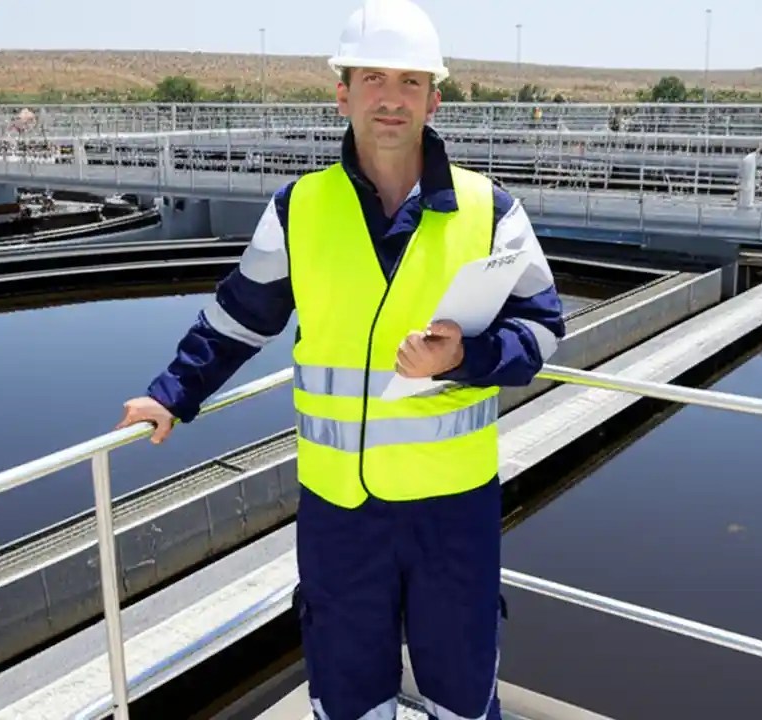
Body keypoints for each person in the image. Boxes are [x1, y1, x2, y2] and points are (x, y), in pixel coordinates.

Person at [114, 0, 565, 717]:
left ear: (434, 97)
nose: (392, 97)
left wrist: (465, 357)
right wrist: (173, 392)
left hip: (453, 510)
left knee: (463, 693)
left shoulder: (492, 211)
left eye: (411, 81)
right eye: (374, 77)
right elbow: (238, 319)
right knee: (349, 696)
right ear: (343, 92)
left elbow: (543, 331)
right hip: (340, 511)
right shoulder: (301, 209)